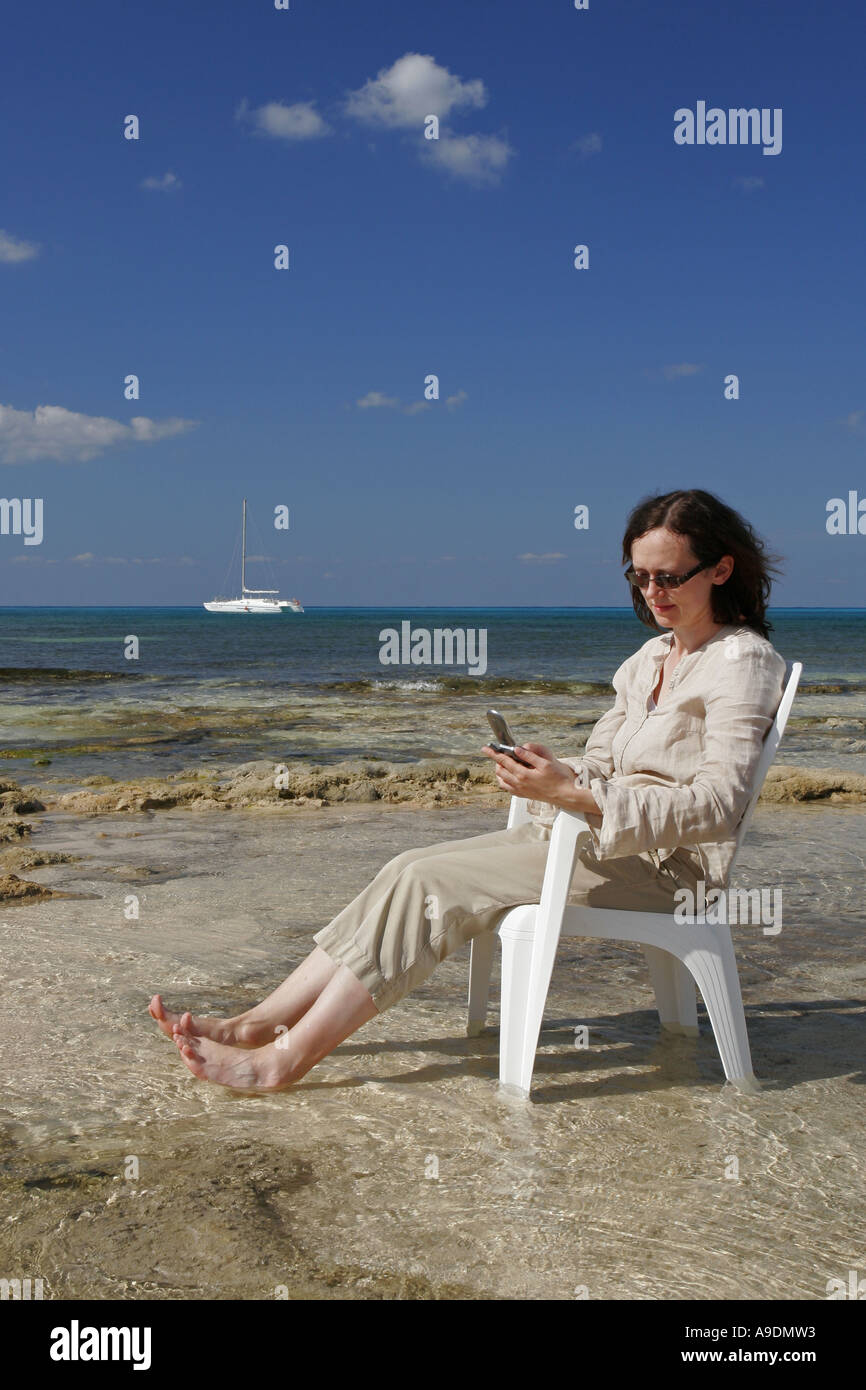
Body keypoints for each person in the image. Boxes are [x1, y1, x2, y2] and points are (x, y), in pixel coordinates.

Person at [149, 488, 787, 1092]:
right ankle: (260, 1023)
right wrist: (551, 771)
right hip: (593, 842)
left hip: (663, 870)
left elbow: (720, 805)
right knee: (408, 865)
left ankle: (282, 1062)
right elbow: (600, 762)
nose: (653, 592)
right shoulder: (647, 660)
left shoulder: (743, 662)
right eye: (639, 576)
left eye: (670, 576)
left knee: (432, 884)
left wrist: (580, 797)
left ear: (722, 569)